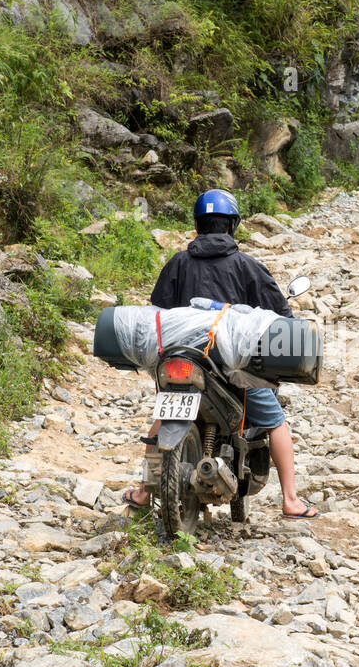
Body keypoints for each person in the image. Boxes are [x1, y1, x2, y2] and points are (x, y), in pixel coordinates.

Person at [122, 188, 320, 519]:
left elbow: (156, 313)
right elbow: (282, 319)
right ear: (232, 226)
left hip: (183, 361)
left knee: (161, 419)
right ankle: (290, 500)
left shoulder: (177, 263)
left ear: (198, 225)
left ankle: (143, 492)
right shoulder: (247, 266)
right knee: (275, 422)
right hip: (232, 368)